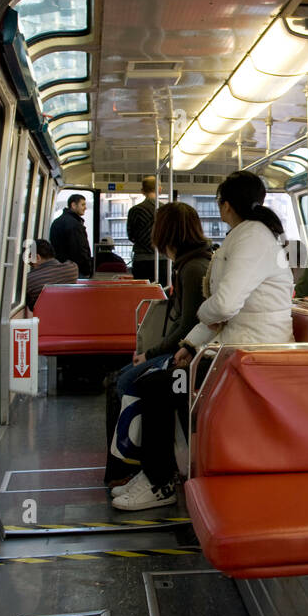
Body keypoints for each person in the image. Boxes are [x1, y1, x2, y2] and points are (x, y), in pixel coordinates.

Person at [113, 171, 294, 511]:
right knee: (158, 383)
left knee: (157, 387)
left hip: (252, 358)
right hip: (237, 348)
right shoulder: (246, 235)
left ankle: (159, 482)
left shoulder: (250, 238)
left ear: (225, 205)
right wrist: (190, 345)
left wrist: (203, 325)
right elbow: (223, 313)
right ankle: (157, 474)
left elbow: (223, 306)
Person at [106, 204, 213, 487]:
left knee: (127, 382)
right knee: (120, 379)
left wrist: (150, 353)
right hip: (185, 346)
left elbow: (187, 326)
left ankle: (131, 466)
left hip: (191, 352)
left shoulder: (192, 268)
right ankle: (124, 462)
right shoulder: (190, 264)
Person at [25, 239, 78, 312]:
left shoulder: (30, 279)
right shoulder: (72, 268)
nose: (31, 265)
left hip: (44, 319)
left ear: (37, 257)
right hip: (70, 314)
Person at [49, 194, 93, 278]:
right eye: (82, 204)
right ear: (73, 205)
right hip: (75, 270)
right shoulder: (74, 225)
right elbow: (80, 250)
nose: (85, 208)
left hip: (60, 269)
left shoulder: (57, 221)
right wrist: (87, 269)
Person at [127, 176, 160, 284]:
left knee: (141, 291)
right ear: (159, 189)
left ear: (142, 191)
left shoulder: (135, 210)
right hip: (162, 259)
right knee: (161, 294)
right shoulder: (165, 210)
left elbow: (131, 235)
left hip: (141, 259)